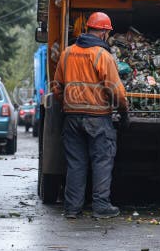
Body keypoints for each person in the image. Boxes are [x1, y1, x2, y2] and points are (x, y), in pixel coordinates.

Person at [52, 12, 129, 219]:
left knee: (76, 163)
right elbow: (115, 90)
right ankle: (101, 206)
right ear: (104, 32)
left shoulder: (67, 53)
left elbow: (57, 87)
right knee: (102, 161)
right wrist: (123, 110)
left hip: (71, 117)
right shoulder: (102, 55)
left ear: (88, 29)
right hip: (97, 118)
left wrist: (67, 104)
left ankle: (72, 208)